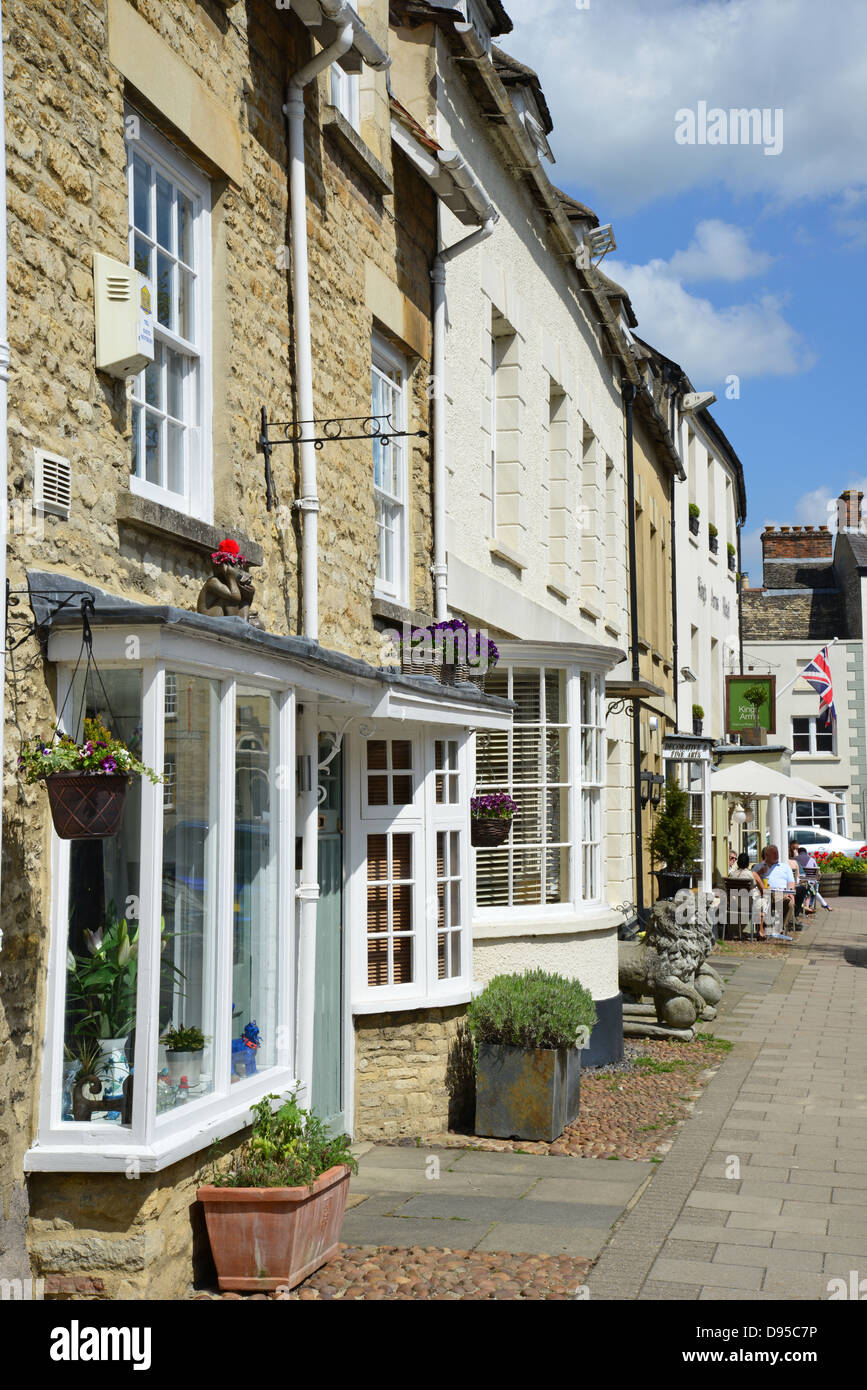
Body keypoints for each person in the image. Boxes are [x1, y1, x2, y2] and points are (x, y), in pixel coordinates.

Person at [757, 844, 795, 939]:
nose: (776, 855)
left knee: (789, 903)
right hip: (765, 894)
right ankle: (763, 928)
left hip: (780, 894)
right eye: (773, 853)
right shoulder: (759, 867)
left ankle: (779, 929)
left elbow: (791, 882)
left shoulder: (785, 867)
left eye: (777, 853)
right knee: (763, 901)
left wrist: (789, 892)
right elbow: (754, 879)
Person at [788, 841, 810, 925]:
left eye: (797, 849)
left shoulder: (796, 861)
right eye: (794, 849)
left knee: (801, 889)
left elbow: (800, 876)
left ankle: (796, 914)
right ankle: (795, 915)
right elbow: (800, 877)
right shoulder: (794, 862)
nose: (795, 851)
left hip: (788, 889)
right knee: (803, 889)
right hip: (791, 889)